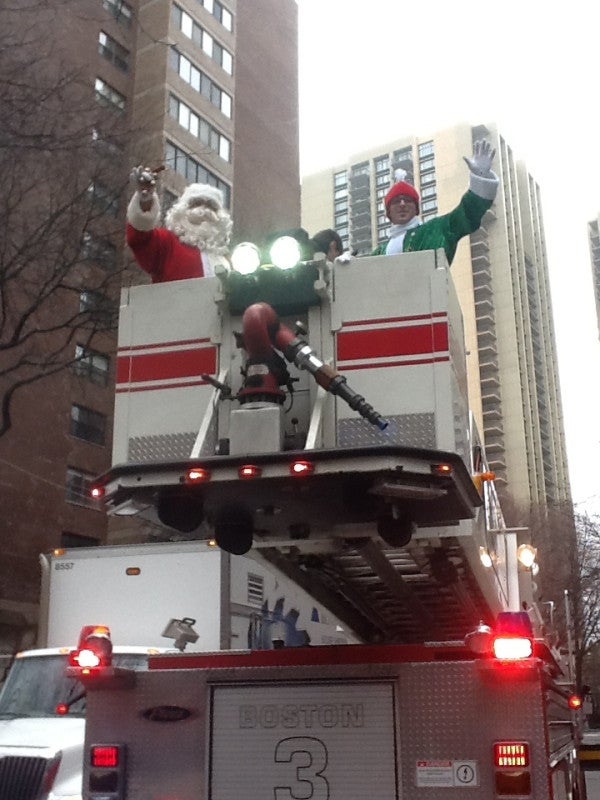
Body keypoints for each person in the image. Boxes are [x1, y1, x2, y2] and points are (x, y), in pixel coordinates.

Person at [372, 139, 498, 266]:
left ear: (416, 209)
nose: (402, 204)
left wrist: (481, 175)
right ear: (388, 212)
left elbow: (466, 213)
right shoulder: (378, 253)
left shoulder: (437, 228)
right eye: (396, 201)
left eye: (408, 200)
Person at [126, 165, 232, 282]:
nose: (204, 210)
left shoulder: (229, 260)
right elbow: (141, 236)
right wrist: (145, 200)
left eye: (212, 206)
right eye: (197, 203)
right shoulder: (166, 242)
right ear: (182, 210)